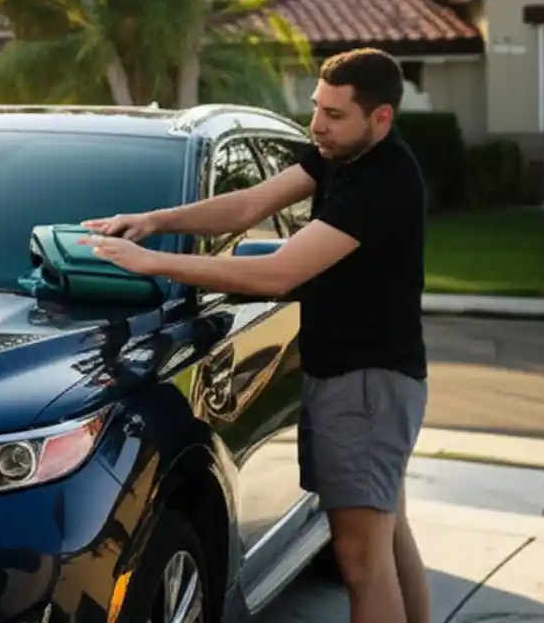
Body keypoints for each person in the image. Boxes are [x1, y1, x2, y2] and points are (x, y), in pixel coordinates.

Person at [80, 47, 430, 623]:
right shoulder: (338, 155)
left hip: (365, 388)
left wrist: (152, 263)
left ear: (381, 118)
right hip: (365, 381)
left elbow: (278, 271)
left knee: (361, 557)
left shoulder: (382, 183)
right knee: (387, 540)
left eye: (335, 115)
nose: (317, 124)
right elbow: (247, 206)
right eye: (317, 108)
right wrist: (158, 221)